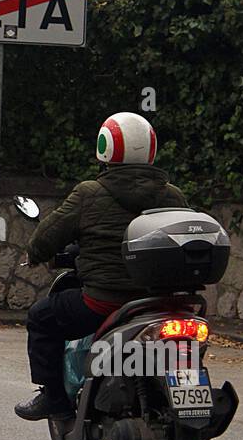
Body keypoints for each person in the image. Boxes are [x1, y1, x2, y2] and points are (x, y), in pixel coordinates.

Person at [14, 112, 188, 421]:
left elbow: (47, 236)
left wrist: (37, 252)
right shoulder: (172, 195)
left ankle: (52, 397)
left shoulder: (89, 193)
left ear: (104, 148)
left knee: (41, 318)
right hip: (159, 303)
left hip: (103, 302)